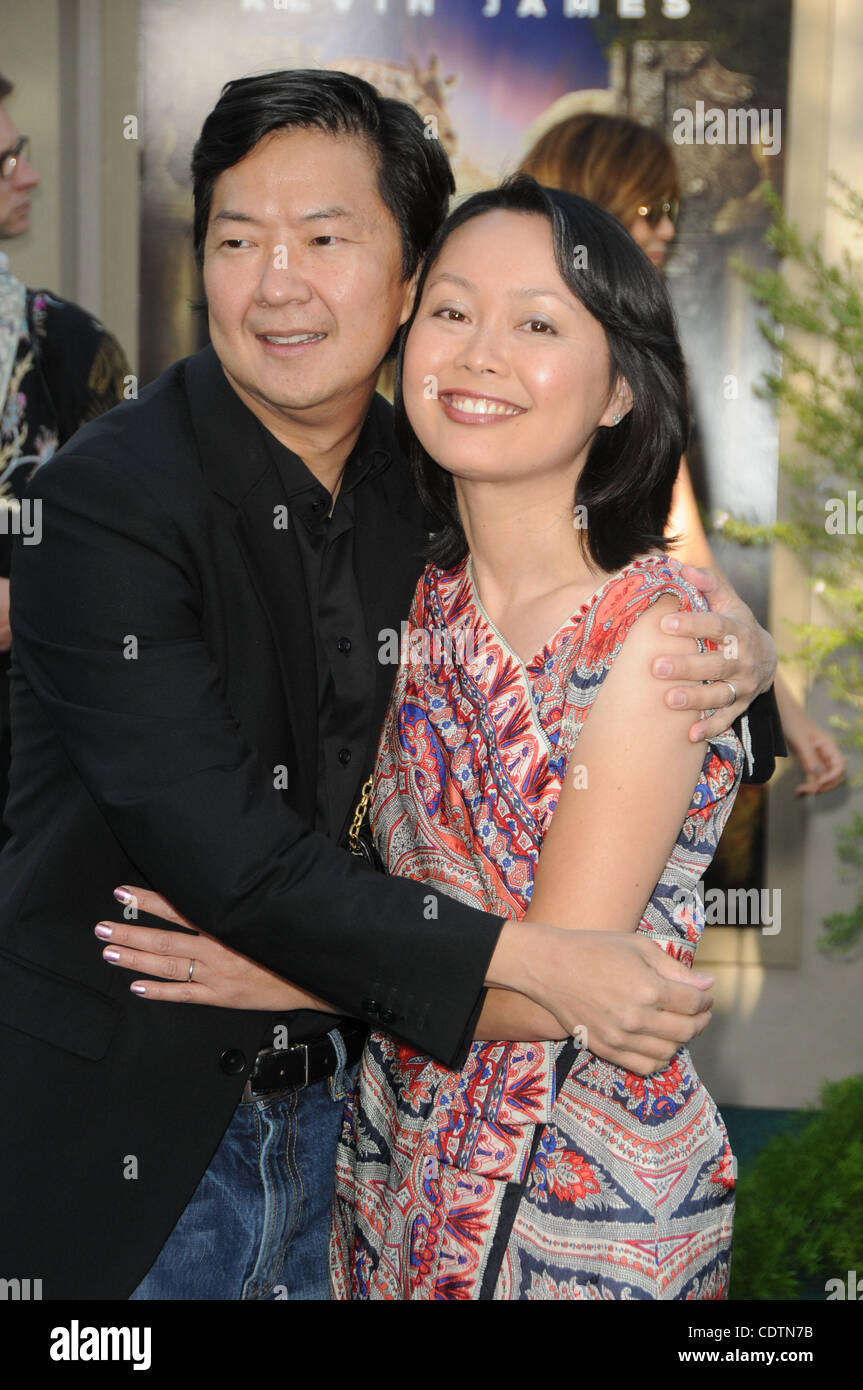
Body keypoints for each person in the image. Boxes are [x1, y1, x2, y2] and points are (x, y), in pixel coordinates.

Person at [1, 71, 772, 1303]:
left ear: (402, 282)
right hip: (139, 1163)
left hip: (372, 1145)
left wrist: (747, 638)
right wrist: (543, 961)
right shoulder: (105, 503)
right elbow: (232, 865)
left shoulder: (429, 485)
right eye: (236, 239)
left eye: (325, 238)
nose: (277, 283)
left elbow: (612, 583)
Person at [520, 111, 845, 797]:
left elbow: (684, 548)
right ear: (590, 201)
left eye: (671, 209)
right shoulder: (484, 351)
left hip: (606, 684)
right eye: (647, 208)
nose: (666, 228)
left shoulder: (643, 360)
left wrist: (777, 705)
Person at [0, 73, 130, 845]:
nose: (30, 175)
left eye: (20, 151)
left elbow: (128, 558)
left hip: (31, 778)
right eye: (7, 158)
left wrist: (42, 595)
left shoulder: (74, 352)